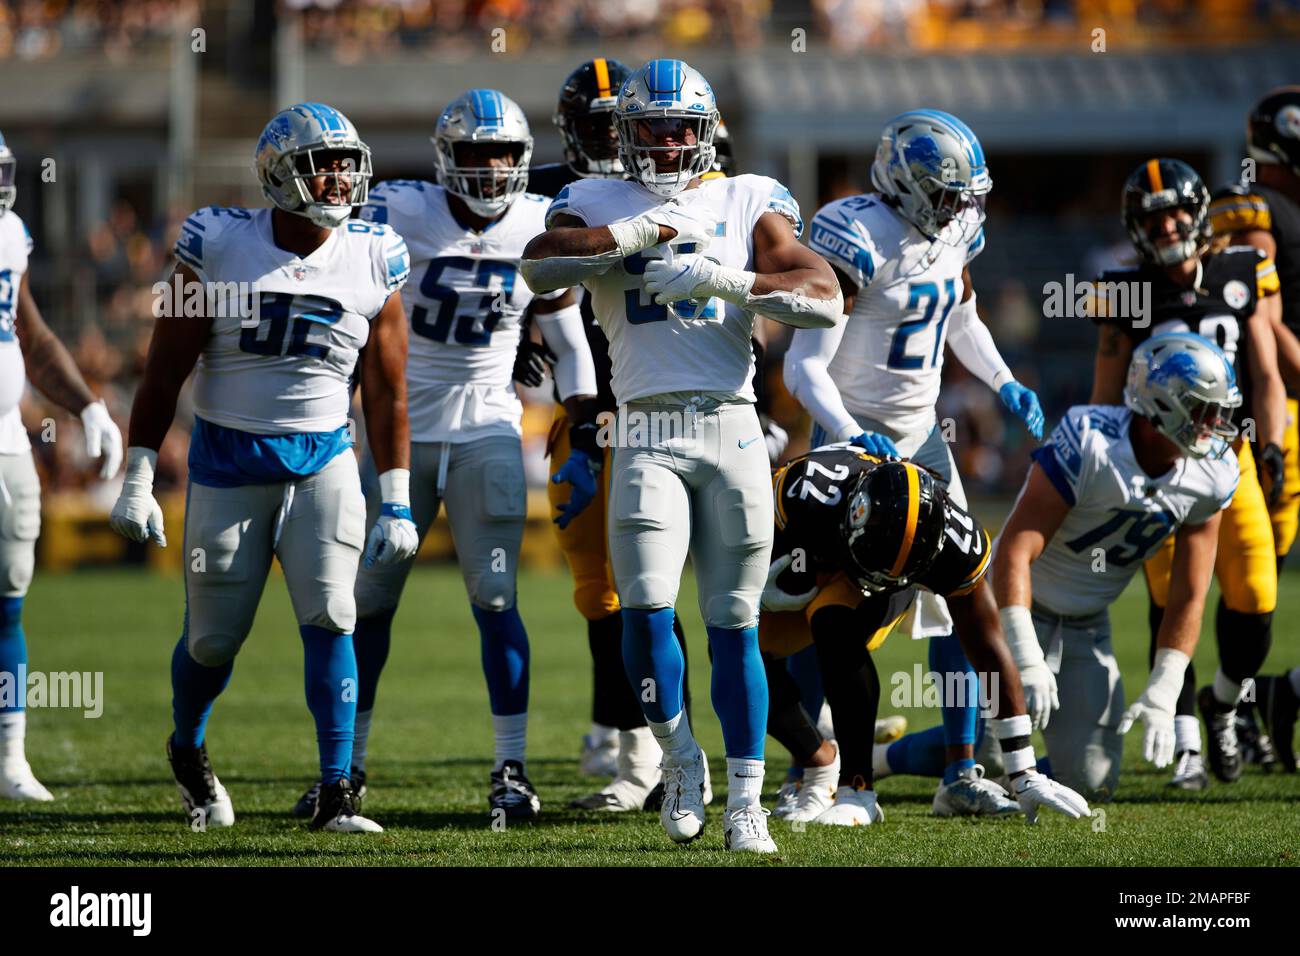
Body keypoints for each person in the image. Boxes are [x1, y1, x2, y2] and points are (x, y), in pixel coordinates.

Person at [520, 57, 842, 853]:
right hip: (644, 426)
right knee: (646, 610)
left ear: (703, 135)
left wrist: (728, 282)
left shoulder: (744, 196)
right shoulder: (593, 199)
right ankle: (678, 759)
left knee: (735, 621)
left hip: (731, 422)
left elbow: (825, 294)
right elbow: (538, 269)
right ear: (623, 136)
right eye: (649, 130)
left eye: (679, 130)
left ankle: (746, 802)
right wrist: (627, 236)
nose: (665, 144)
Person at [110, 103, 417, 832]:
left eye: (346, 162)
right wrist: (138, 476)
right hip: (227, 461)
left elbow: (387, 390)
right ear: (279, 174)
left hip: (324, 462)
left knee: (334, 615)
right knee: (214, 640)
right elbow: (162, 373)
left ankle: (337, 788)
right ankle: (188, 747)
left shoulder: (374, 253)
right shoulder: (218, 243)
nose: (339, 177)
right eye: (322, 163)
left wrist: (398, 499)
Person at [297, 89, 599, 823]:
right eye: (476, 153)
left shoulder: (536, 221)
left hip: (487, 433)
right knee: (363, 607)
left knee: (496, 600)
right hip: (397, 438)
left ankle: (511, 768)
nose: (492, 169)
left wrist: (585, 428)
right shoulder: (398, 209)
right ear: (445, 159)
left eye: (505, 154)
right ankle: (347, 767)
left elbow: (567, 338)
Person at [784, 109, 1044, 816]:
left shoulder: (955, 228)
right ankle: (811, 771)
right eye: (945, 193)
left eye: (966, 195)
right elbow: (803, 365)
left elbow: (959, 314)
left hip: (925, 436)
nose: (959, 208)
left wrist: (1003, 381)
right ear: (902, 183)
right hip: (853, 433)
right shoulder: (853, 234)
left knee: (958, 592)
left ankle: (960, 773)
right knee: (825, 604)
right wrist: (843, 431)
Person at [758, 444, 1088, 826]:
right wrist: (749, 585)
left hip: (863, 593)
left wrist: (1023, 770)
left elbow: (987, 649)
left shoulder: (956, 544)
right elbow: (730, 531)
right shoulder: (804, 493)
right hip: (810, 555)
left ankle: (857, 789)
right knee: (734, 654)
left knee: (834, 622)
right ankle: (819, 762)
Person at [1090, 158, 1285, 788]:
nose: (1169, 223)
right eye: (1154, 215)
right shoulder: (1123, 289)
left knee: (1255, 596)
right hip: (1161, 468)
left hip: (1232, 460)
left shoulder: (1239, 271)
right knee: (1169, 597)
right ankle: (1184, 747)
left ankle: (1223, 702)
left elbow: (1266, 372)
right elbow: (1104, 394)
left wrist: (1274, 443)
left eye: (1176, 209)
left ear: (1197, 210)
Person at [999, 333, 1242, 799]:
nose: (1215, 424)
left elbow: (1189, 592)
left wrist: (1164, 689)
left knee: (1092, 780)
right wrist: (1026, 658)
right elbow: (1013, 550)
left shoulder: (1212, 474)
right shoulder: (1091, 440)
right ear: (1163, 404)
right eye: (1202, 409)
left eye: (1218, 411)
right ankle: (889, 760)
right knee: (989, 751)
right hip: (1013, 612)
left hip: (1087, 624)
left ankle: (1024, 769)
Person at [0, 129, 123, 801]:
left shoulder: (10, 233)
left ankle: (9, 757)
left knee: (9, 600)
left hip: (7, 440)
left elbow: (31, 333)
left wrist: (88, 406)